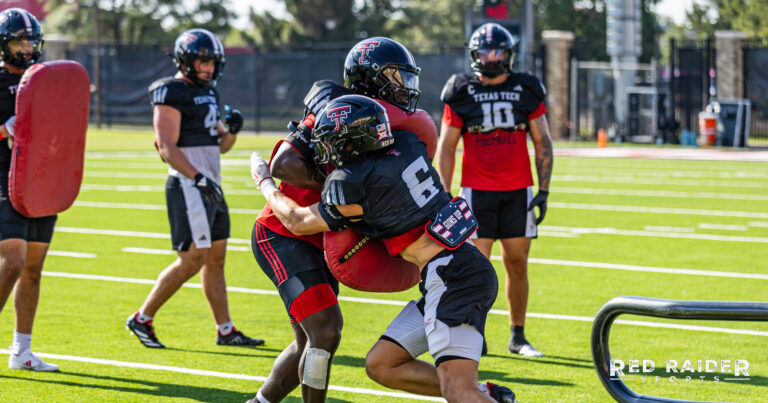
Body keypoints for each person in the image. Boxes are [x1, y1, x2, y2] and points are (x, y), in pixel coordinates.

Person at [251, 95, 516, 403]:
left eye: (332, 142)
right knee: (381, 365)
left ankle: (475, 394)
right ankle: (488, 396)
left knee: (459, 390)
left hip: (453, 278)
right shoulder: (408, 144)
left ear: (351, 142)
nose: (328, 151)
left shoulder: (355, 185)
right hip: (453, 271)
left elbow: (296, 221)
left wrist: (265, 182)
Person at [247, 37, 433, 403]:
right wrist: (345, 189)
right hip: (286, 232)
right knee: (325, 331)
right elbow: (283, 164)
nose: (403, 85)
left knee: (310, 340)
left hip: (327, 234)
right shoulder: (339, 110)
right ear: (369, 78)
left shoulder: (392, 118)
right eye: (394, 76)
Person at [125, 28, 263, 348]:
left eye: (213, 62)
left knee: (215, 259)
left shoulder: (209, 93)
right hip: (190, 185)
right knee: (192, 259)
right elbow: (166, 147)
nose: (210, 68)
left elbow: (222, 145)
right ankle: (142, 318)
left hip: (209, 185)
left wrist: (233, 130)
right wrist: (197, 177)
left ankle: (225, 330)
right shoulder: (169, 90)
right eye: (203, 62)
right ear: (186, 60)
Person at [434, 22, 553, 358]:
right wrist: (445, 194)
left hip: (518, 192)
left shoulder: (526, 88)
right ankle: (475, 334)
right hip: (476, 194)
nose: (490, 57)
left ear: (508, 53)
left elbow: (542, 141)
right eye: (484, 51)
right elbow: (446, 147)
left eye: (496, 50)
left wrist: (543, 190)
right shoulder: (460, 89)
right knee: (476, 267)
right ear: (474, 55)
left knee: (517, 263)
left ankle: (517, 336)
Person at [0, 7, 59, 372]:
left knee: (33, 268)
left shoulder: (44, 80)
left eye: (30, 40)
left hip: (39, 181)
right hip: (2, 179)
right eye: (18, 40)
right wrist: (5, 128)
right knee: (12, 261)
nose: (25, 47)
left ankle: (22, 350)